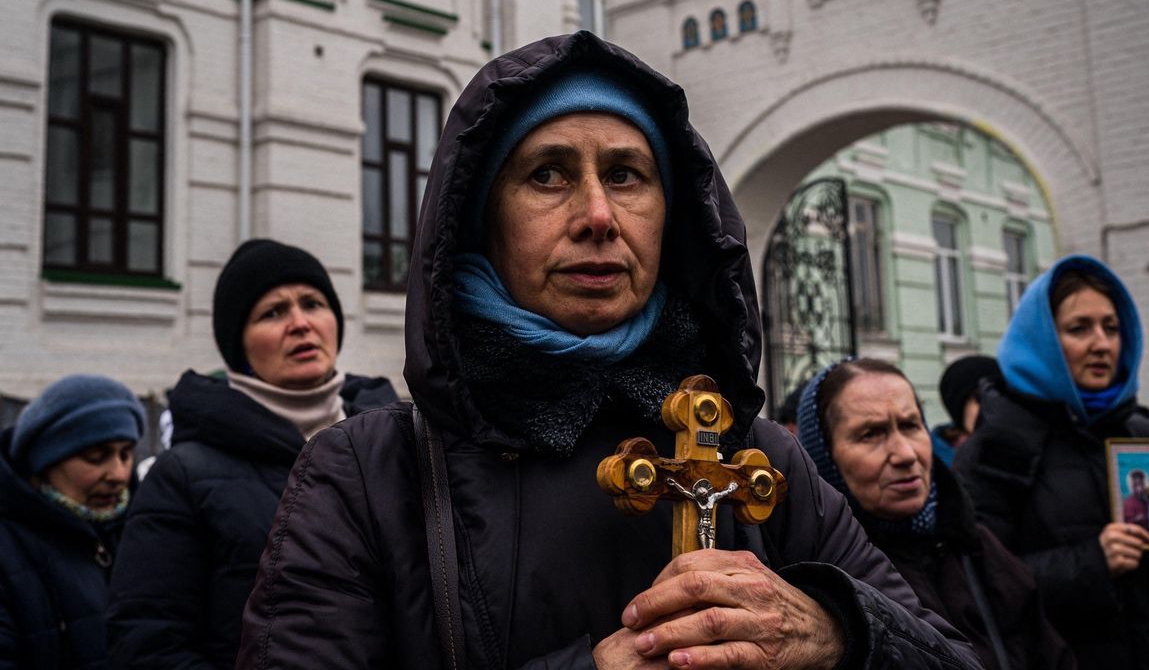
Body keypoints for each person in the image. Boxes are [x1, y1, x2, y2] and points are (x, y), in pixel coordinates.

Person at [237, 32, 982, 669]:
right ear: (480, 219)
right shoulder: (365, 479)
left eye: (626, 175)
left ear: (672, 217)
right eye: (547, 175)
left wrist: (837, 632)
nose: (597, 215)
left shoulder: (756, 460)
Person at [107, 240, 398, 669]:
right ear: (237, 345)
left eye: (313, 303)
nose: (300, 324)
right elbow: (148, 643)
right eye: (272, 312)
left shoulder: (395, 442)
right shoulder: (182, 477)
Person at [955, 254, 1149, 669]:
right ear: (1041, 340)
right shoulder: (992, 451)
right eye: (1078, 329)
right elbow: (978, 588)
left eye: (1111, 327)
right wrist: (1091, 563)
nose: (1102, 344)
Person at [796, 357, 1074, 670]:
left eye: (911, 425)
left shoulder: (976, 547)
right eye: (871, 434)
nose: (905, 454)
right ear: (823, 456)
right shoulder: (824, 581)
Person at [0, 374, 145, 668]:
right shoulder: (8, 550)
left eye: (126, 454)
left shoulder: (146, 533)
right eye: (95, 456)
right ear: (44, 462)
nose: (118, 474)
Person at [931, 355, 999, 464]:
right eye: (980, 398)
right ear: (960, 407)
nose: (993, 404)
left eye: (999, 396)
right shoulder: (932, 464)